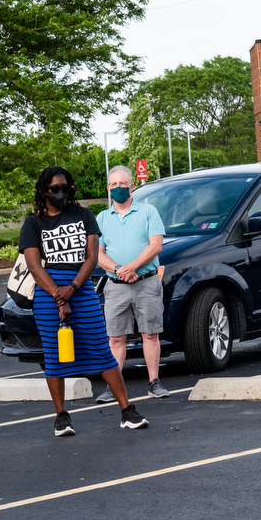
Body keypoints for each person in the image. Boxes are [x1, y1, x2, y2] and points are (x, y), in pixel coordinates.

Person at [19, 166, 148, 436]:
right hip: (48, 294)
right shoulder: (33, 223)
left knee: (102, 349)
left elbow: (91, 257)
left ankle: (127, 411)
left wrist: (73, 288)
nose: (61, 193)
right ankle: (61, 417)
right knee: (54, 357)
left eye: (66, 188)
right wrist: (58, 296)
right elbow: (34, 265)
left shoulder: (83, 214)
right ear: (44, 191)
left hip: (81, 290)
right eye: (55, 189)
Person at [94, 165, 167, 402]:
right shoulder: (102, 218)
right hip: (115, 285)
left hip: (146, 282)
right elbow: (97, 253)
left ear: (132, 186)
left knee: (150, 334)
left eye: (122, 184)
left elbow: (156, 245)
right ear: (108, 188)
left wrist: (133, 266)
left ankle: (154, 382)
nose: (118, 188)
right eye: (113, 185)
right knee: (115, 338)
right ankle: (113, 386)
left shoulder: (148, 212)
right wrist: (118, 269)